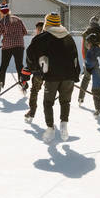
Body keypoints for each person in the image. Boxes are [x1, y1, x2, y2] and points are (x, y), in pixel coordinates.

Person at [27, 12, 80, 142]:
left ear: (47, 23)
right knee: (65, 101)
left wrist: (35, 69)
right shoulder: (69, 37)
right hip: (68, 76)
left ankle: (50, 128)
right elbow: (75, 58)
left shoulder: (42, 38)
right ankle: (64, 124)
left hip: (52, 76)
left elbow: (30, 53)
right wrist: (75, 75)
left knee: (48, 102)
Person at [0, 3, 27, 93]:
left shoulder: (2, 22)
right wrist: (16, 37)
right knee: (19, 65)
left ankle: (0, 83)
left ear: (0, 12)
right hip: (19, 45)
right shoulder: (18, 19)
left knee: (4, 66)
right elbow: (24, 32)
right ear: (8, 11)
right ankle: (23, 82)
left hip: (7, 46)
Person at [77, 15, 100, 102]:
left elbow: (83, 49)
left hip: (89, 59)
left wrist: (85, 59)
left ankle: (81, 97)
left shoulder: (86, 33)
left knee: (86, 78)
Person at [22, 20, 45, 122]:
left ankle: (32, 112)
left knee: (35, 91)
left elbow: (30, 56)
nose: (38, 31)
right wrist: (29, 68)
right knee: (36, 91)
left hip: (42, 72)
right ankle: (32, 111)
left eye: (39, 29)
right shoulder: (48, 39)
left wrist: (30, 68)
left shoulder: (37, 40)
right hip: (43, 72)